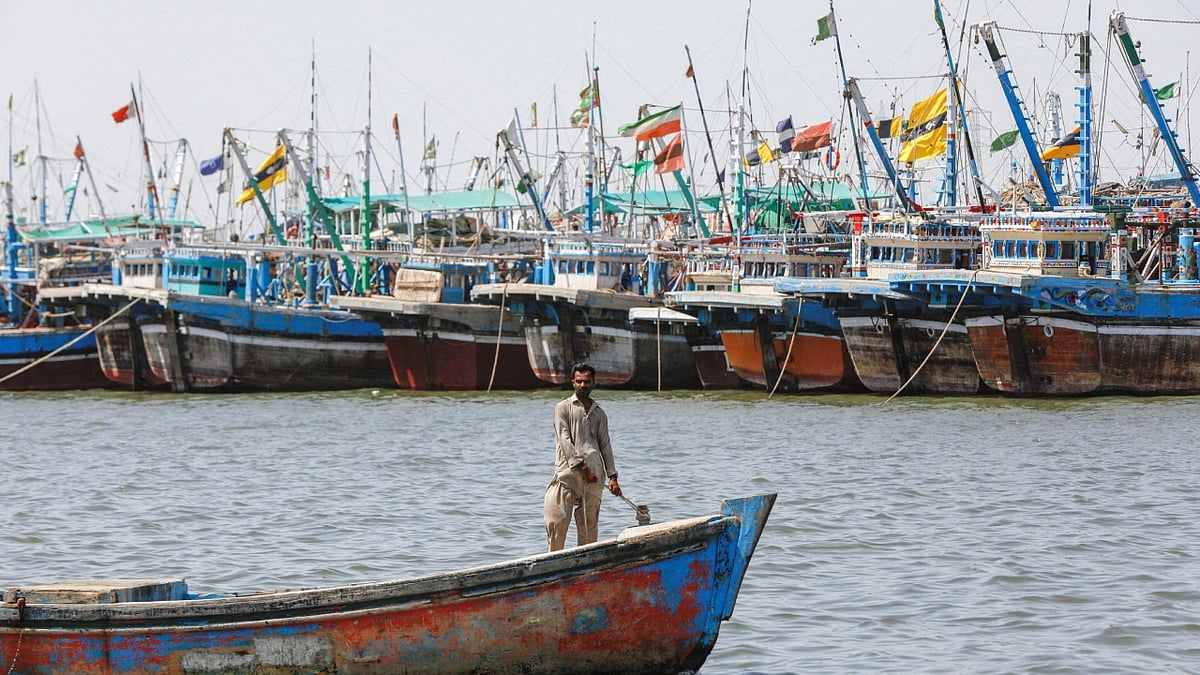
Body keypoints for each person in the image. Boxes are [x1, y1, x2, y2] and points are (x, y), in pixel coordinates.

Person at [544, 362, 621, 551]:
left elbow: (605, 445)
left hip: (594, 474)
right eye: (579, 381)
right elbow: (564, 439)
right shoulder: (562, 408)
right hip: (568, 474)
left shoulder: (599, 413)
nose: (583, 385)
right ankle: (553, 567)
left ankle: (586, 568)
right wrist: (581, 467)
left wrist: (612, 477)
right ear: (573, 383)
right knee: (557, 525)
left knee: (589, 529)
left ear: (593, 383)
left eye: (587, 381)